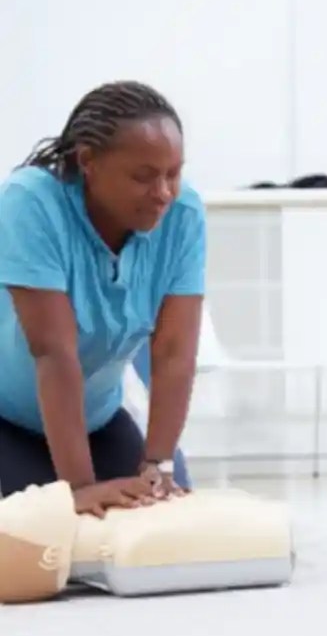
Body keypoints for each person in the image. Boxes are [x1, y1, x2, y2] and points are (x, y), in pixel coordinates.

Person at [0, 81, 203, 516]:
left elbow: (173, 352)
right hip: (7, 420)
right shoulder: (32, 202)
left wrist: (158, 464)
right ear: (87, 161)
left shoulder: (183, 213)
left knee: (165, 516)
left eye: (173, 173)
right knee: (52, 537)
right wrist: (79, 489)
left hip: (98, 421)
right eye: (143, 176)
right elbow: (54, 352)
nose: (164, 192)